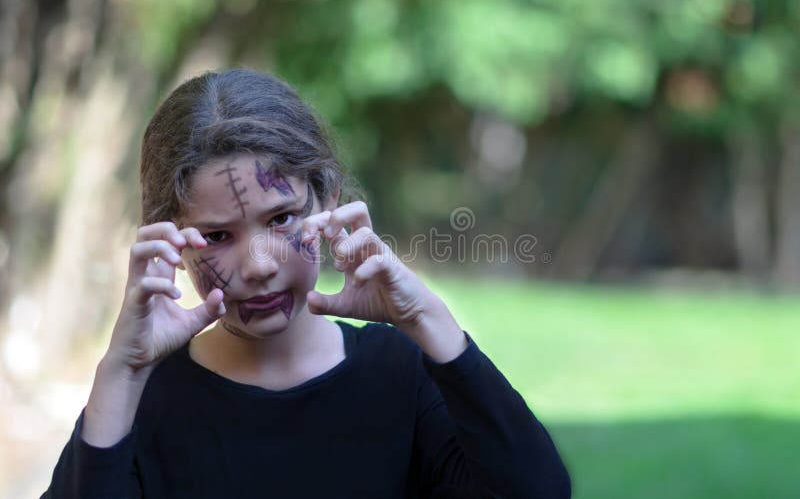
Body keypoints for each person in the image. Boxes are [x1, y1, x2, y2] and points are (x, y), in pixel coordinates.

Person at [41, 69, 571, 498]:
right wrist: (121, 372)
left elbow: (537, 488)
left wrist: (430, 320)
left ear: (329, 199)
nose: (259, 265)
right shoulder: (144, 402)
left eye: (281, 219)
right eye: (218, 234)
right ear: (171, 242)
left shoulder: (400, 374)